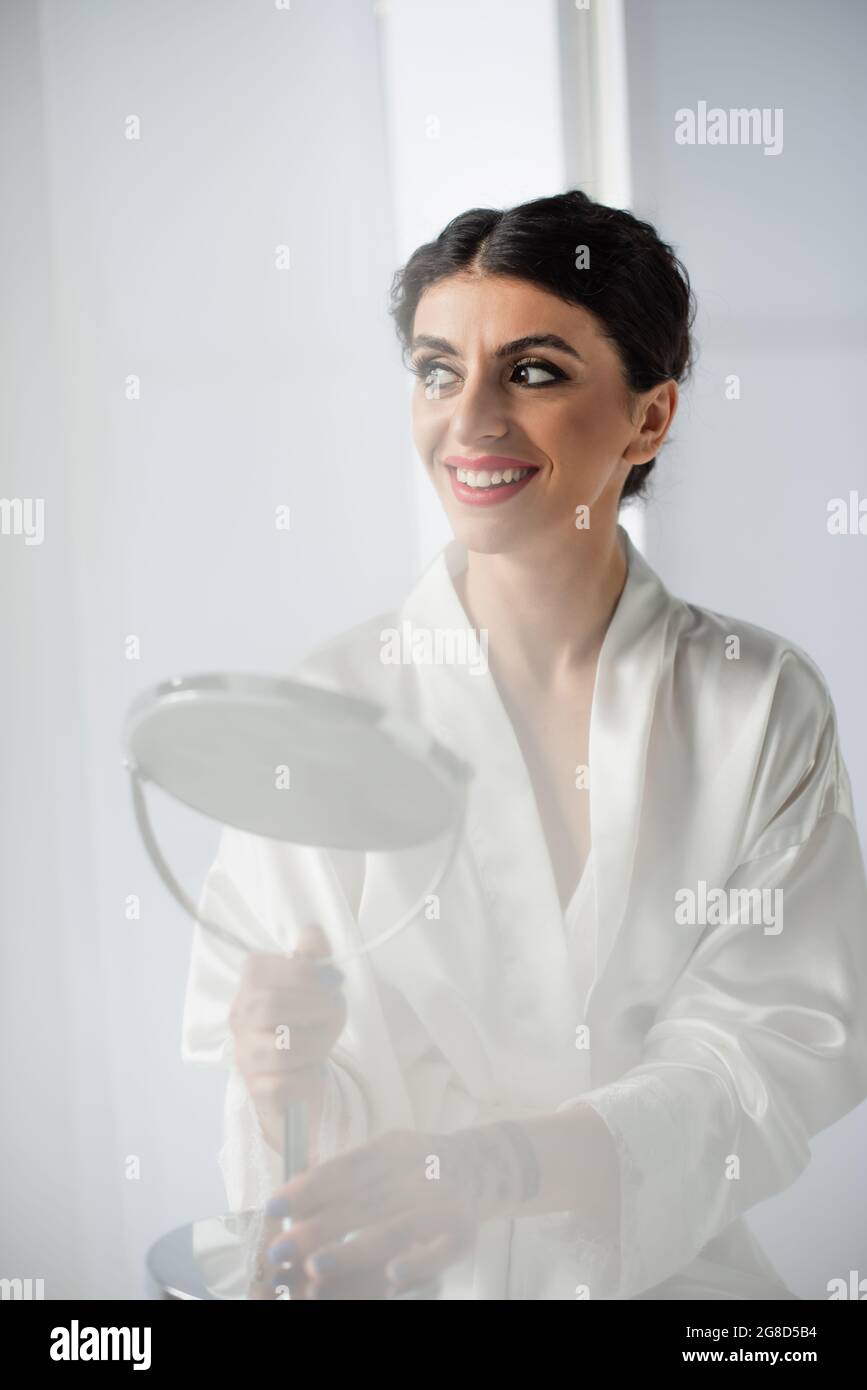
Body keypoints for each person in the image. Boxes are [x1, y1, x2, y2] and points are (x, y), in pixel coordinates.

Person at [182, 189, 867, 1301]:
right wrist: (280, 1075)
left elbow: (762, 1062)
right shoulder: (321, 711)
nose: (471, 420)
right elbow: (288, 1161)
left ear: (649, 419)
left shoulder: (760, 706)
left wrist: (497, 1166)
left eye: (535, 371)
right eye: (437, 370)